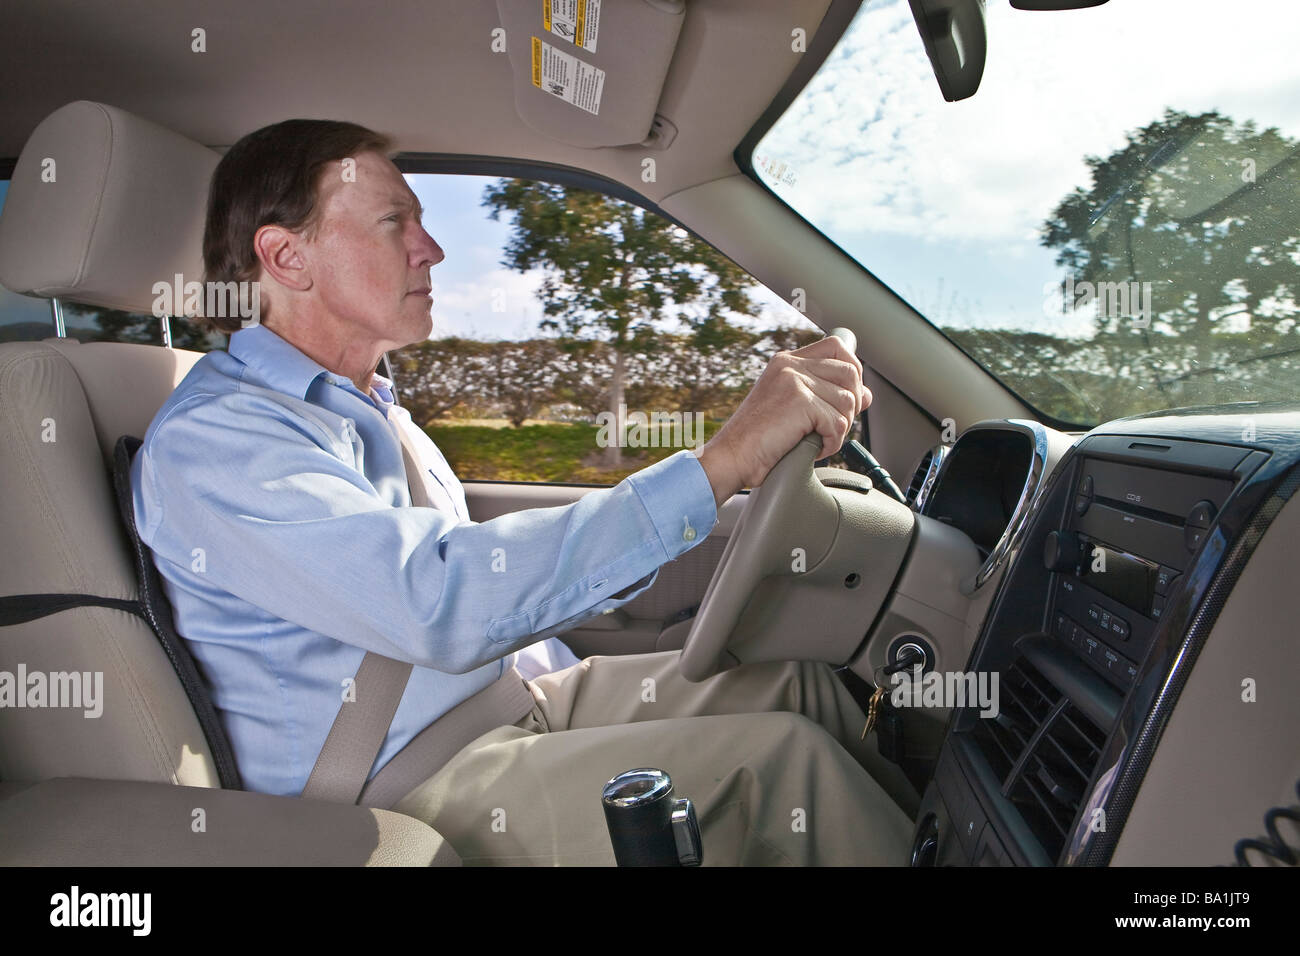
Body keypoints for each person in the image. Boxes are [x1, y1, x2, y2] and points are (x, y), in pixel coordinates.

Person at [131, 118, 916, 865]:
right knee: (788, 767)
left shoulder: (368, 406)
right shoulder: (217, 440)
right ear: (287, 258)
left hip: (511, 703)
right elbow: (437, 600)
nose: (430, 249)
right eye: (393, 222)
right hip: (406, 783)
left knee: (799, 682)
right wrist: (723, 464)